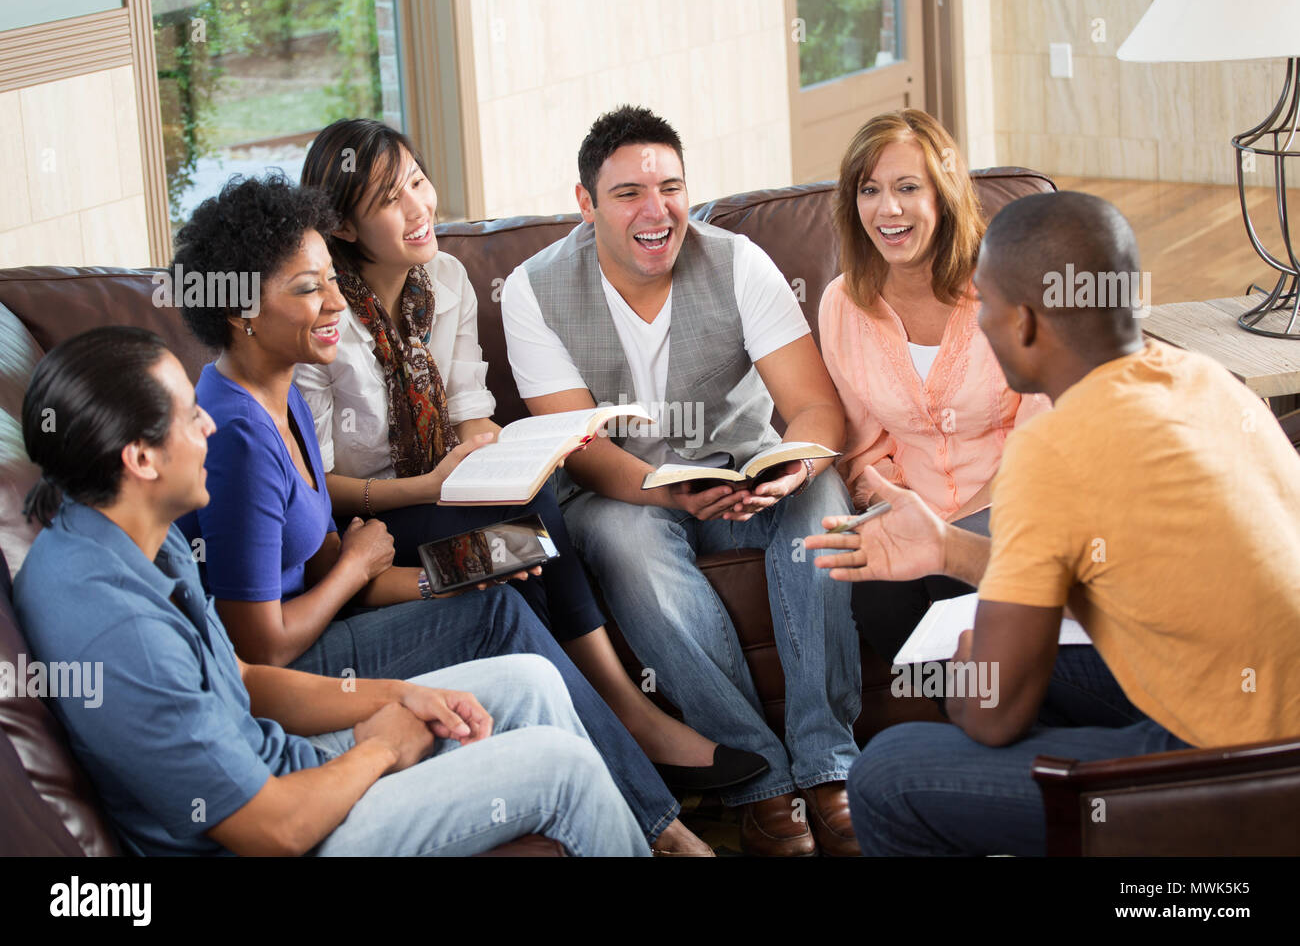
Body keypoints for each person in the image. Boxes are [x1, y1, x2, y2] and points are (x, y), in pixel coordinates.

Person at [172, 173, 709, 855]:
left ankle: (639, 819)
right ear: (240, 312)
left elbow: (326, 565)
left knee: (504, 575)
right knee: (496, 616)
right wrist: (358, 565)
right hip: (297, 660)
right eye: (309, 288)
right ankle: (658, 831)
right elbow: (259, 645)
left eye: (331, 280)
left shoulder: (282, 396)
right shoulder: (238, 437)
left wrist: (445, 575)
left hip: (322, 626)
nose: (336, 301)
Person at [12, 326, 648, 857]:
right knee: (562, 769)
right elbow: (275, 828)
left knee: (529, 680)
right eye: (187, 415)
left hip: (282, 765)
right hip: (278, 827)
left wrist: (408, 694)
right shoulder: (120, 628)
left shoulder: (135, 527)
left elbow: (246, 678)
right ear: (140, 460)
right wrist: (376, 750)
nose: (208, 423)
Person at [805, 191, 1300, 856]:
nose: (979, 325)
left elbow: (993, 717)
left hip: (1246, 778)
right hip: (1271, 724)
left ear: (1027, 323)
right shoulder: (1206, 381)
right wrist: (951, 549)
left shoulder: (1054, 448)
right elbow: (1114, 571)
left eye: (988, 306)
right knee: (1051, 668)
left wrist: (966, 677)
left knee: (886, 774)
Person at [293, 118, 762, 793]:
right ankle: (625, 716)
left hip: (440, 495)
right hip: (370, 523)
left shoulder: (445, 279)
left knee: (525, 520)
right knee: (526, 525)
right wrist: (425, 486)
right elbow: (316, 488)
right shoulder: (323, 318)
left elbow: (470, 412)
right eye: (391, 200)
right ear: (343, 227)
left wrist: (494, 447)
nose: (419, 208)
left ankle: (591, 735)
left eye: (419, 182)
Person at [501, 105, 862, 856]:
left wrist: (795, 464)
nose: (655, 209)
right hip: (617, 491)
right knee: (625, 542)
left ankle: (828, 766)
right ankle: (761, 782)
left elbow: (814, 406)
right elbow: (579, 444)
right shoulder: (535, 289)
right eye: (628, 191)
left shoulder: (737, 262)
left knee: (827, 497)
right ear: (586, 203)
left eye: (670, 187)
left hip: (742, 471)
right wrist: (662, 490)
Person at [819, 109, 1051, 663]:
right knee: (873, 594)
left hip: (1016, 500)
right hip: (913, 511)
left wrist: (948, 533)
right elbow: (866, 449)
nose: (887, 209)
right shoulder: (842, 304)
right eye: (869, 190)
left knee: (952, 578)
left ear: (943, 195)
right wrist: (903, 516)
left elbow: (1041, 441)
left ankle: (1007, 727)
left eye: (906, 187)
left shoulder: (1010, 283)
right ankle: (964, 729)